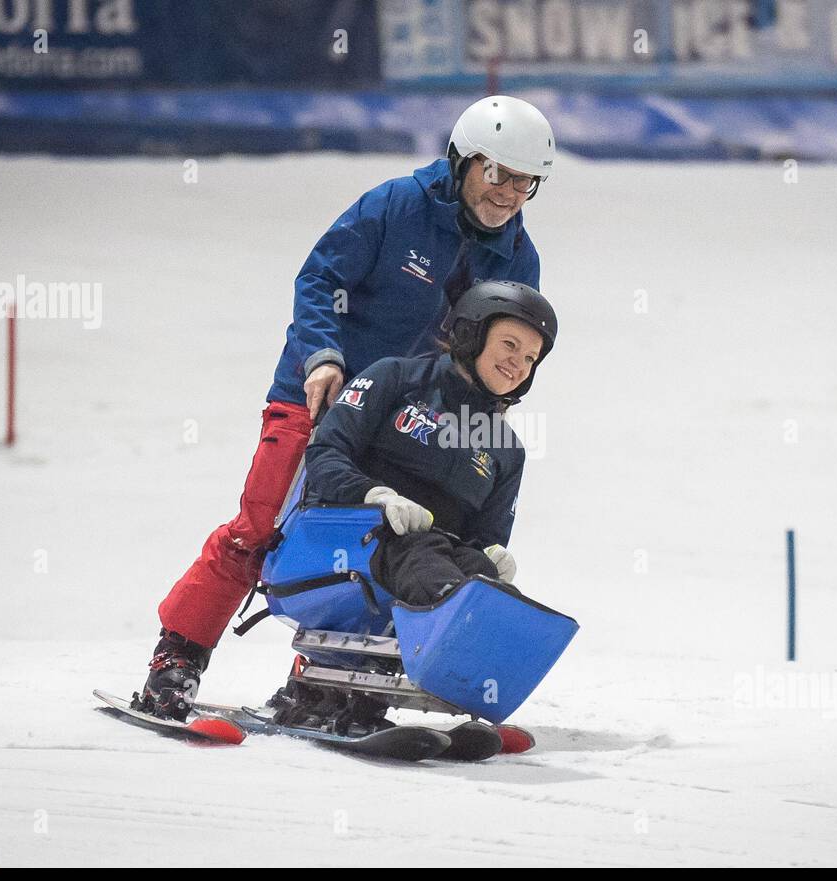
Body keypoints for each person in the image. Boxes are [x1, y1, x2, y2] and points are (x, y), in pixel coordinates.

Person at [135, 97, 557, 721]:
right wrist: (323, 356)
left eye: (525, 181)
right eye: (497, 173)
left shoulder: (519, 257)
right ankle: (177, 660)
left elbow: (498, 355)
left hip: (412, 422)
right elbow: (318, 280)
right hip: (321, 390)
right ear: (462, 161)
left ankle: (321, 678)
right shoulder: (394, 207)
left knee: (386, 545)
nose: (508, 193)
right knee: (263, 529)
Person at [304, 280, 556, 608]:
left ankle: (504, 630)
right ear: (470, 334)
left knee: (479, 574)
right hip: (356, 536)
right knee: (421, 553)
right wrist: (373, 496)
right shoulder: (396, 378)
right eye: (509, 344)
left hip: (433, 558)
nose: (518, 364)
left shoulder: (507, 449)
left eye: (529, 359)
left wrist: (491, 556)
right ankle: (457, 614)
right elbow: (325, 453)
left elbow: (483, 539)